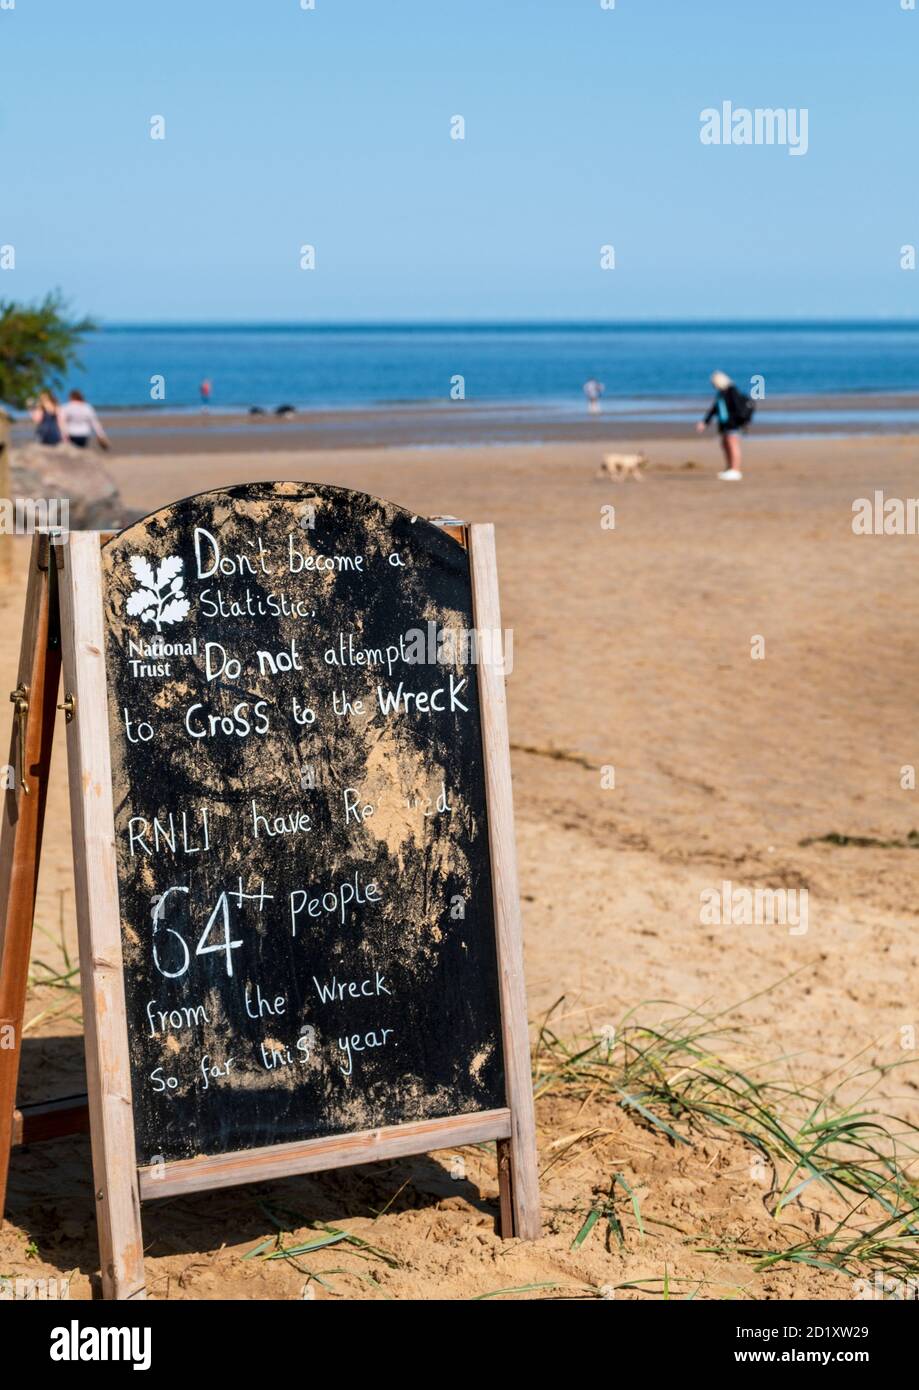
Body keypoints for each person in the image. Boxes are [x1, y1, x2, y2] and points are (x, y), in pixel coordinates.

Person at [696, 371, 748, 480]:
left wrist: (735, 422)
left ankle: (735, 470)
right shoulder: (721, 393)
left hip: (733, 424)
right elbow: (715, 408)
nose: (713, 385)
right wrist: (705, 422)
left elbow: (737, 409)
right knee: (725, 445)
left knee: (733, 445)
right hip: (724, 424)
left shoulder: (732, 391)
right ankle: (729, 468)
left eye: (714, 383)